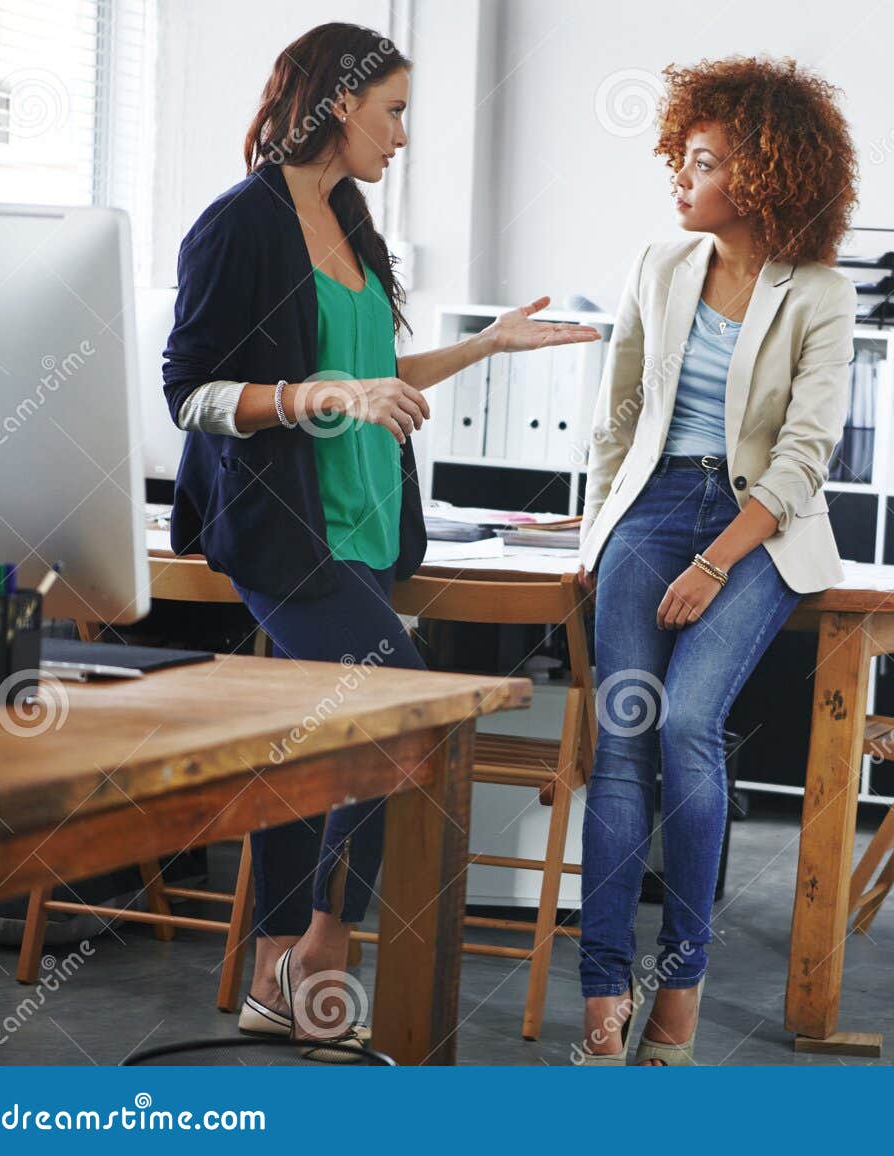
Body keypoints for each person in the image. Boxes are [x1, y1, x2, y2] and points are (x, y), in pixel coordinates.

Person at [160, 22, 598, 1061]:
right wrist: (322, 397)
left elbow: (374, 374)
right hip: (280, 527)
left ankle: (273, 972)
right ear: (338, 103)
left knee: (308, 740)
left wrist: (487, 346)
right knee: (400, 703)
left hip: (360, 522)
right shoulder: (240, 224)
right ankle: (326, 947)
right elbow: (192, 395)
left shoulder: (351, 222)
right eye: (393, 111)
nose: (402, 135)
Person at [574, 55, 859, 1064]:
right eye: (682, 158)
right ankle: (602, 995)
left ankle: (680, 988)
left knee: (688, 723)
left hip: (758, 528)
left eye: (702, 162)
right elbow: (615, 415)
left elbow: (804, 456)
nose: (681, 177)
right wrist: (596, 534)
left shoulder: (820, 294)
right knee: (622, 736)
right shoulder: (659, 264)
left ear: (765, 175)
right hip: (648, 510)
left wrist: (712, 564)